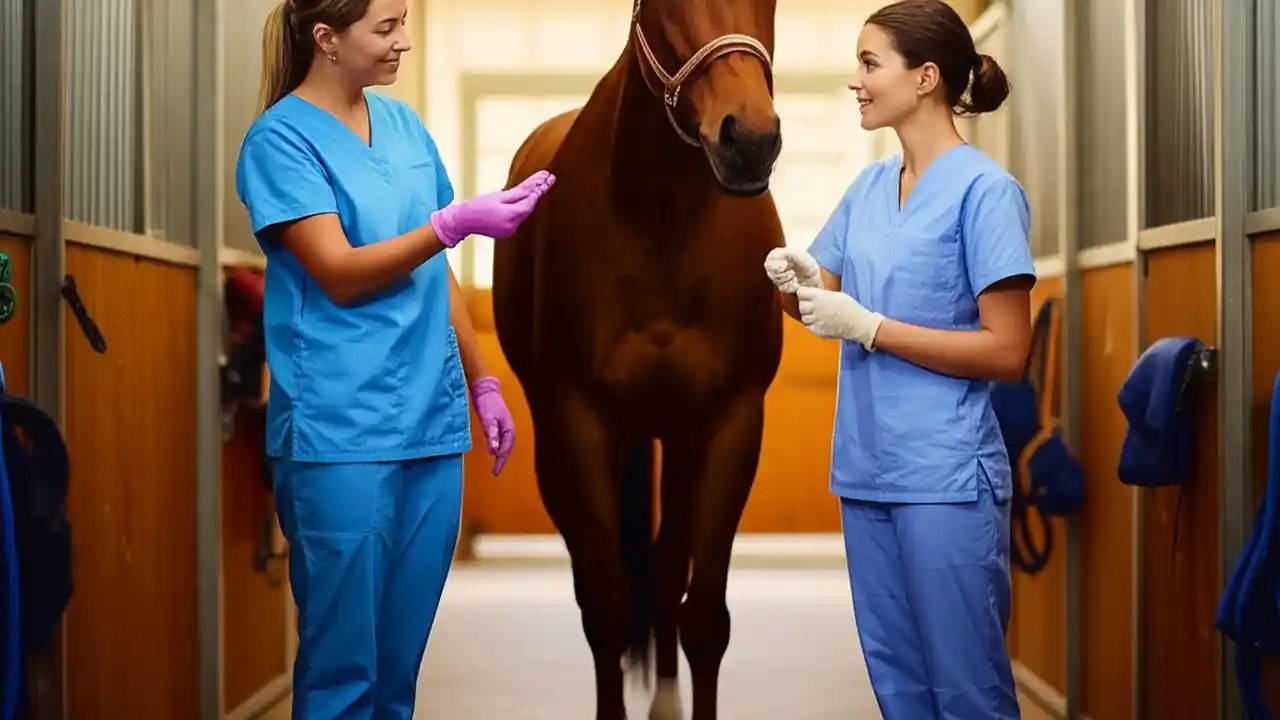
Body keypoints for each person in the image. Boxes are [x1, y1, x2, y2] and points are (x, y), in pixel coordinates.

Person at [234, 1, 554, 717]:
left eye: (404, 21)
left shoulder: (406, 129)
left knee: (398, 671)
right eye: (385, 27)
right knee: (342, 669)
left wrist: (485, 381)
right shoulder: (280, 141)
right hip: (340, 436)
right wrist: (449, 223)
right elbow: (339, 270)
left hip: (429, 429)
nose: (403, 41)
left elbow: (435, 275)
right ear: (326, 39)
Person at [764, 1, 1034, 718]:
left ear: (924, 78)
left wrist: (875, 327)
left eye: (868, 63)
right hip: (867, 469)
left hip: (944, 478)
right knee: (899, 686)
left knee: (965, 687)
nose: (854, 80)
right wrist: (792, 282)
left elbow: (1008, 351)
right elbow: (824, 308)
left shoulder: (985, 193)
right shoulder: (869, 189)